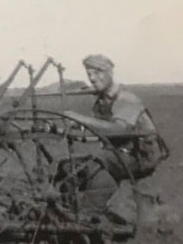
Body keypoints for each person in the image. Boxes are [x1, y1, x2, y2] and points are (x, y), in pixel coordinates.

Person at [54, 54, 169, 208]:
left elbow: (118, 129)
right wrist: (62, 130)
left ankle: (92, 211)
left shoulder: (126, 99)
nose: (92, 78)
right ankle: (65, 209)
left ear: (110, 73)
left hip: (140, 156)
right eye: (89, 74)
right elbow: (100, 132)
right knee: (68, 166)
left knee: (96, 162)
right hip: (119, 154)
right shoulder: (103, 102)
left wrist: (79, 118)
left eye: (97, 73)